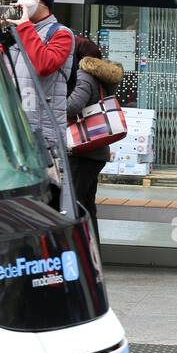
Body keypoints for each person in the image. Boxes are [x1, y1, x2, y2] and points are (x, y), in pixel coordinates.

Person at [0, 0, 74, 206]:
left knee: (47, 203)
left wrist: (24, 27)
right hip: (15, 132)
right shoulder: (15, 33)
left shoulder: (61, 34)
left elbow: (43, 65)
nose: (20, 1)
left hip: (44, 138)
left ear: (43, 0)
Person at [66, 35, 125, 221]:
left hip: (83, 151)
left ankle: (77, 246)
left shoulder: (84, 76)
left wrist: (51, 101)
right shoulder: (100, 78)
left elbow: (73, 106)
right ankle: (92, 246)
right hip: (97, 151)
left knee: (74, 204)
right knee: (87, 204)